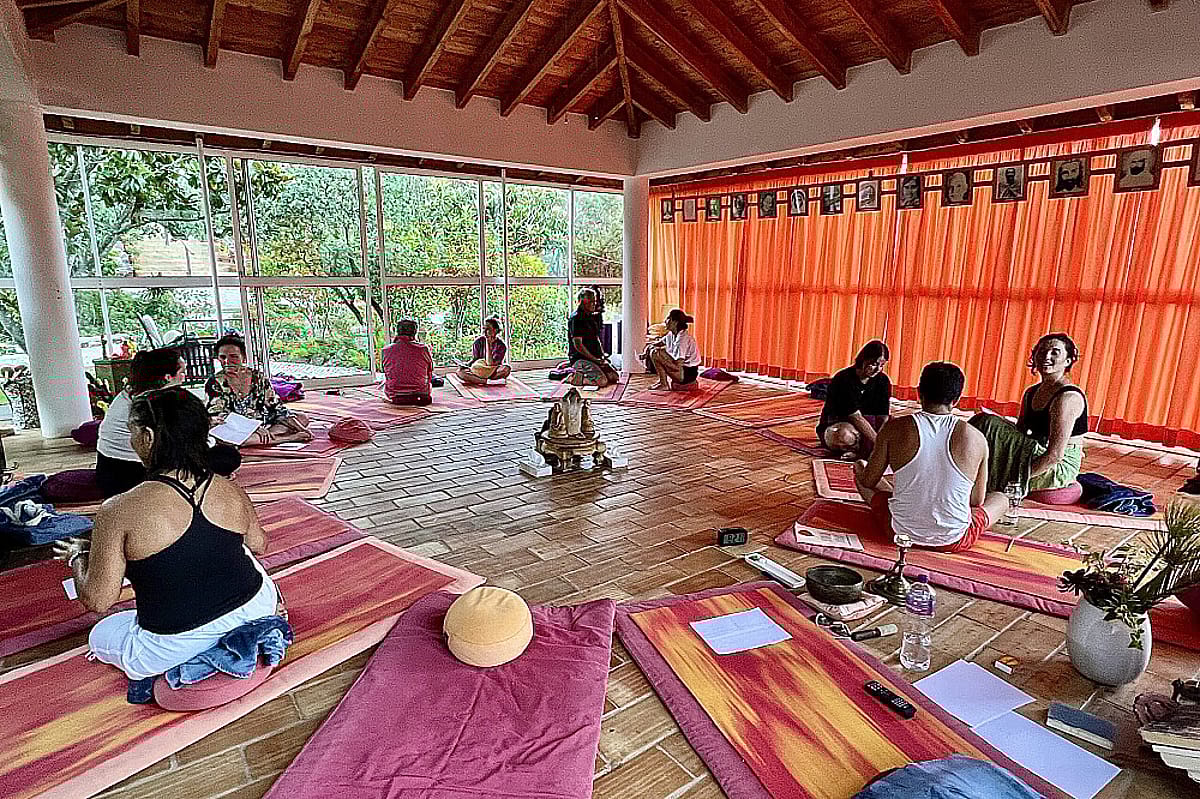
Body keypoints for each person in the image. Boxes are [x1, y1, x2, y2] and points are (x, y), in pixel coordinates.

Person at [53, 387, 283, 680]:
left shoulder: (117, 509)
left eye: (131, 431)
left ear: (147, 437)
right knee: (240, 547)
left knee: (102, 634)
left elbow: (98, 601)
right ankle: (238, 640)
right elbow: (260, 544)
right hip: (256, 608)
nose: (131, 439)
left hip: (172, 644)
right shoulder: (229, 488)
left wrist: (78, 556)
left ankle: (198, 658)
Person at [855, 362, 1008, 552]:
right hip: (954, 539)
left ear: (919, 393)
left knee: (860, 466)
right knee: (1002, 499)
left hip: (898, 533)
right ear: (957, 398)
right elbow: (976, 501)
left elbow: (868, 480)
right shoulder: (977, 438)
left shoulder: (894, 428)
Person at [969, 333, 1088, 497]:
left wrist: (1015, 480)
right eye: (1042, 351)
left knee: (987, 423)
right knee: (984, 422)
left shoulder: (1067, 398)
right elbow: (1021, 433)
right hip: (1032, 452)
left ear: (1067, 361)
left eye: (1054, 352)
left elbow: (1055, 455)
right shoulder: (1031, 392)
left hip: (1056, 466)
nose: (1046, 356)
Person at [95, 347, 186, 498]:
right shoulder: (149, 402)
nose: (184, 377)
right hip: (130, 475)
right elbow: (176, 443)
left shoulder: (132, 392)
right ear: (168, 377)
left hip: (107, 468)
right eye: (182, 372)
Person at [206, 334, 312, 445]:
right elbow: (217, 414)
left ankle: (264, 437)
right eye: (223, 357)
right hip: (235, 426)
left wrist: (302, 429)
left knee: (302, 418)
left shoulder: (258, 377)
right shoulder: (214, 382)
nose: (227, 362)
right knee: (219, 436)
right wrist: (251, 428)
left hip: (263, 422)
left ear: (244, 357)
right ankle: (288, 438)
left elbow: (276, 406)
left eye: (234, 356)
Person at [816, 340, 892, 458]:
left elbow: (883, 416)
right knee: (842, 435)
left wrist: (881, 438)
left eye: (882, 365)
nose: (877, 369)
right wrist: (879, 445)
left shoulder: (883, 381)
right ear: (863, 359)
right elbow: (855, 417)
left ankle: (862, 452)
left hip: (871, 427)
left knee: (902, 428)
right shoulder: (843, 379)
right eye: (874, 364)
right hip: (844, 425)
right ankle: (864, 452)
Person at [567, 289, 619, 387]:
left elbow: (596, 339)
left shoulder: (591, 317)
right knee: (602, 381)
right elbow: (578, 345)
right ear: (583, 302)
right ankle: (573, 377)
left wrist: (602, 356)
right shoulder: (576, 318)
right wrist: (595, 359)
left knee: (614, 377)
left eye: (594, 301)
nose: (594, 304)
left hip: (595, 358)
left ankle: (583, 373)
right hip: (581, 359)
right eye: (591, 301)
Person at [645, 309, 702, 391]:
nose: (665, 321)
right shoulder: (671, 334)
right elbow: (658, 343)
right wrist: (646, 351)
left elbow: (678, 366)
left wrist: (663, 362)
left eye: (668, 318)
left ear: (675, 322)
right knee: (654, 351)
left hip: (686, 374)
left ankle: (663, 383)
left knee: (657, 353)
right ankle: (663, 383)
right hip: (680, 369)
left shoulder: (682, 340)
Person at [381, 319, 434, 405]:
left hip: (395, 393)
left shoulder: (386, 350)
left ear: (397, 331)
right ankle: (414, 395)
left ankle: (402, 396)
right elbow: (430, 370)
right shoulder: (423, 349)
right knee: (432, 378)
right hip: (420, 392)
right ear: (415, 332)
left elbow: (386, 371)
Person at [457, 317, 511, 386]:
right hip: (478, 370)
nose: (484, 331)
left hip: (492, 371)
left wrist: (488, 343)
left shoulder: (501, 345)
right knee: (460, 372)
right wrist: (465, 365)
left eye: (488, 329)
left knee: (506, 369)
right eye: (484, 329)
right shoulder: (478, 342)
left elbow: (491, 364)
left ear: (495, 330)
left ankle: (476, 380)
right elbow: (475, 359)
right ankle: (488, 382)